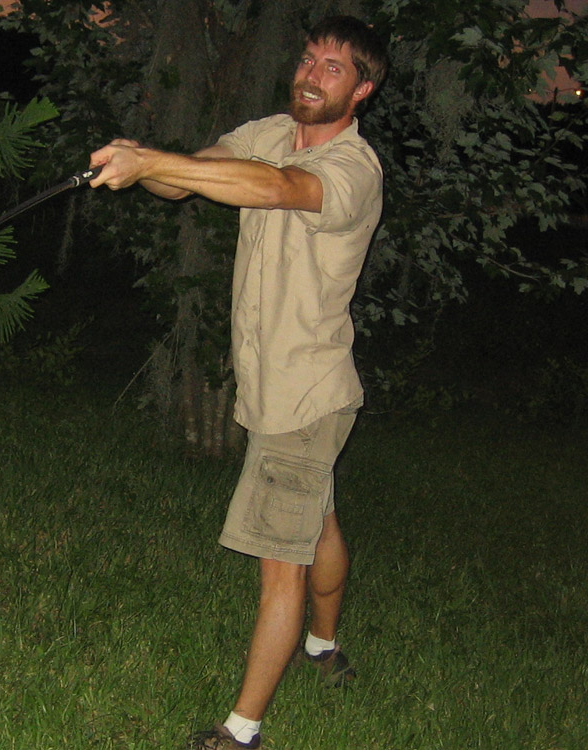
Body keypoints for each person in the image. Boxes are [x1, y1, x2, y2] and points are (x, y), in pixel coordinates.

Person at [87, 16, 389, 750]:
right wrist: (144, 162)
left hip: (303, 396)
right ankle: (325, 647)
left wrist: (160, 161)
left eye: (334, 67)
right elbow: (189, 182)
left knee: (278, 564)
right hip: (283, 388)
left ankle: (241, 731)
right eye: (309, 58)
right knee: (315, 517)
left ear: (362, 90)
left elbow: (277, 188)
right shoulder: (272, 127)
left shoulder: (353, 169)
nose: (312, 75)